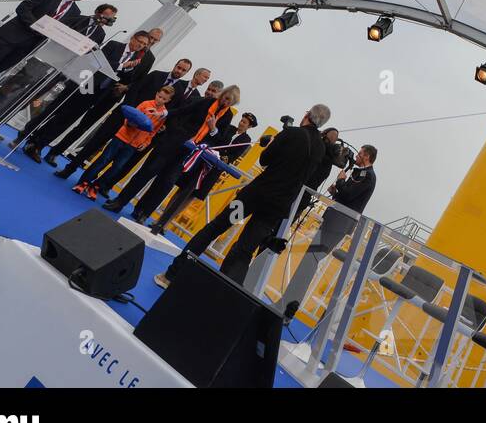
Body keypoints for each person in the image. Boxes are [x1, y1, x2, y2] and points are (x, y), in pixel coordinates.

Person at [155, 103, 329, 287]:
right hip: (276, 208)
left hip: (254, 197)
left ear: (307, 115)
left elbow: (264, 160)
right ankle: (222, 295)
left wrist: (272, 144)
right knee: (245, 250)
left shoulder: (292, 133)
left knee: (216, 227)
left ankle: (172, 274)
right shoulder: (321, 148)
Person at [0, 3, 118, 134]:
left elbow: (87, 52)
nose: (109, 19)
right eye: (108, 15)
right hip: (43, 60)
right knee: (10, 88)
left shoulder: (100, 34)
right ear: (98, 12)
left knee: (28, 98)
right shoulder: (77, 19)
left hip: (59, 70)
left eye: (112, 18)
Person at [32, 26, 165, 169]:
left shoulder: (149, 58)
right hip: (92, 87)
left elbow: (139, 80)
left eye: (154, 40)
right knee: (66, 115)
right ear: (144, 35)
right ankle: (36, 141)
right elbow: (100, 62)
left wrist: (126, 87)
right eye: (150, 37)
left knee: (83, 126)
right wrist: (122, 66)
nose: (150, 41)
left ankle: (55, 152)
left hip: (111, 95)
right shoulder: (123, 47)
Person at [103, 83, 238, 218]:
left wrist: (213, 129)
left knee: (166, 183)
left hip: (187, 154)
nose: (225, 102)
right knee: (145, 173)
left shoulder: (228, 116)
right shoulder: (206, 102)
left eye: (229, 101)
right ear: (222, 94)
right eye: (225, 98)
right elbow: (182, 111)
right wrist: (164, 114)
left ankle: (142, 212)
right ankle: (120, 202)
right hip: (171, 143)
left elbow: (221, 141)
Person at [279, 144, 378, 318]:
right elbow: (344, 197)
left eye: (361, 153)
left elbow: (349, 196)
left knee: (311, 261)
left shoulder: (368, 176)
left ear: (368, 157)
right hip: (334, 219)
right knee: (308, 262)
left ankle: (289, 308)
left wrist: (340, 181)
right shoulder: (359, 173)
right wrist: (336, 190)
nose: (357, 155)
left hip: (340, 223)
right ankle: (287, 302)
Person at [54, 58, 194, 180]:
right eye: (179, 67)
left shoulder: (179, 92)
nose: (180, 71)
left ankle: (92, 182)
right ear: (175, 65)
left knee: (114, 157)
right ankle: (69, 169)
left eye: (184, 70)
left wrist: (153, 125)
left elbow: (170, 112)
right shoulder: (156, 75)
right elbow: (134, 89)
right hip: (123, 115)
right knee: (95, 142)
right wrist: (131, 111)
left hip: (139, 130)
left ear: (186, 73)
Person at [146, 111, 258, 234]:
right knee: (181, 190)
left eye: (245, 123)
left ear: (249, 126)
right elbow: (217, 139)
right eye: (242, 120)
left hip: (214, 170)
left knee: (191, 196)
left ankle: (166, 223)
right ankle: (160, 219)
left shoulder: (246, 140)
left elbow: (234, 156)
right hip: (202, 162)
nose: (241, 123)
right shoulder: (229, 129)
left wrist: (223, 157)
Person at [73, 85, 175, 201]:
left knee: (117, 167)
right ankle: (83, 183)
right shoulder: (145, 104)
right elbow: (129, 117)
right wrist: (130, 123)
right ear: (156, 93)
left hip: (133, 145)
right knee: (103, 160)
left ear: (168, 100)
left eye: (164, 99)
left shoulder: (163, 115)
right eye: (159, 96)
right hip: (121, 137)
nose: (160, 100)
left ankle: (96, 186)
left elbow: (153, 132)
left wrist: (146, 143)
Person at [293, 127, 343, 226]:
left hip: (293, 192)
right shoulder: (329, 161)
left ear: (324, 136)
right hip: (304, 198)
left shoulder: (315, 150)